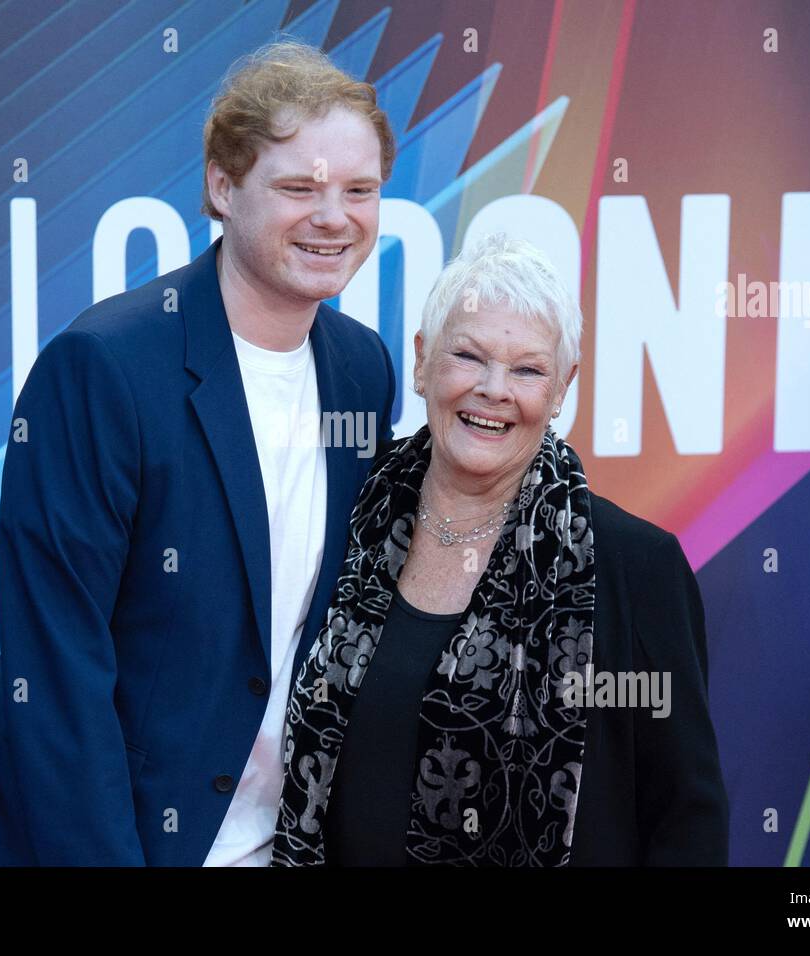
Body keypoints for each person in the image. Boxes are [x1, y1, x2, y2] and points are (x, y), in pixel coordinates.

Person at [0, 40, 398, 866]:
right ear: (221, 184)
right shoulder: (104, 367)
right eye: (299, 188)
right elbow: (57, 669)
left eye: (359, 190)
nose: (333, 216)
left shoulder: (362, 369)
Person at [272, 233, 729, 866]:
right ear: (422, 360)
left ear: (563, 386)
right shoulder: (347, 521)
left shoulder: (635, 568)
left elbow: (687, 819)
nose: (493, 390)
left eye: (528, 369)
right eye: (468, 355)